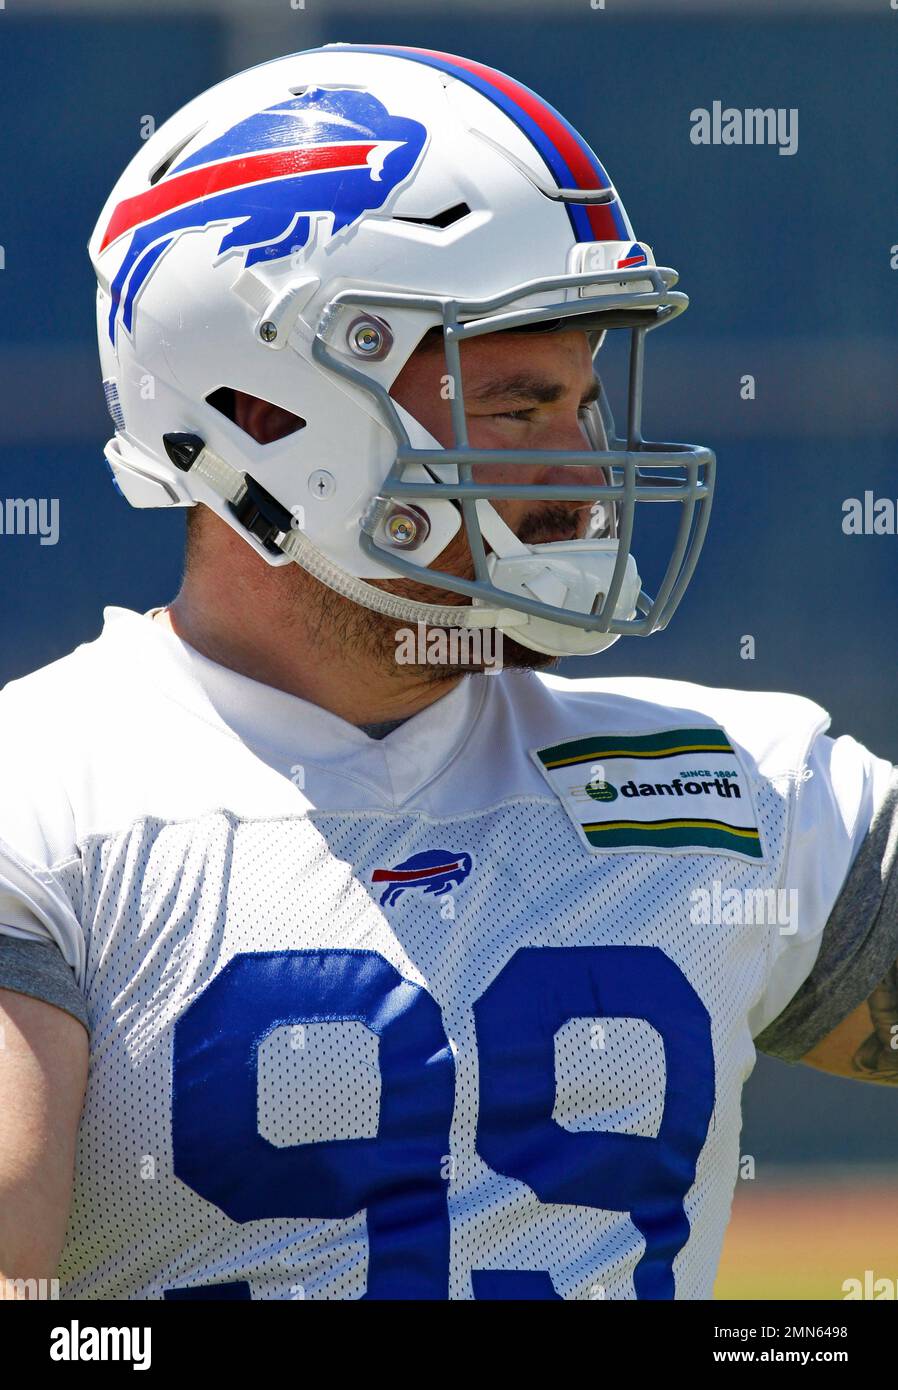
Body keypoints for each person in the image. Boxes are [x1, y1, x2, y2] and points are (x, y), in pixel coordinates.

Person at [0, 43, 894, 1302]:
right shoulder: (42, 801)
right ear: (263, 413)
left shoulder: (737, 790)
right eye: (518, 409)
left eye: (585, 403)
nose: (581, 474)